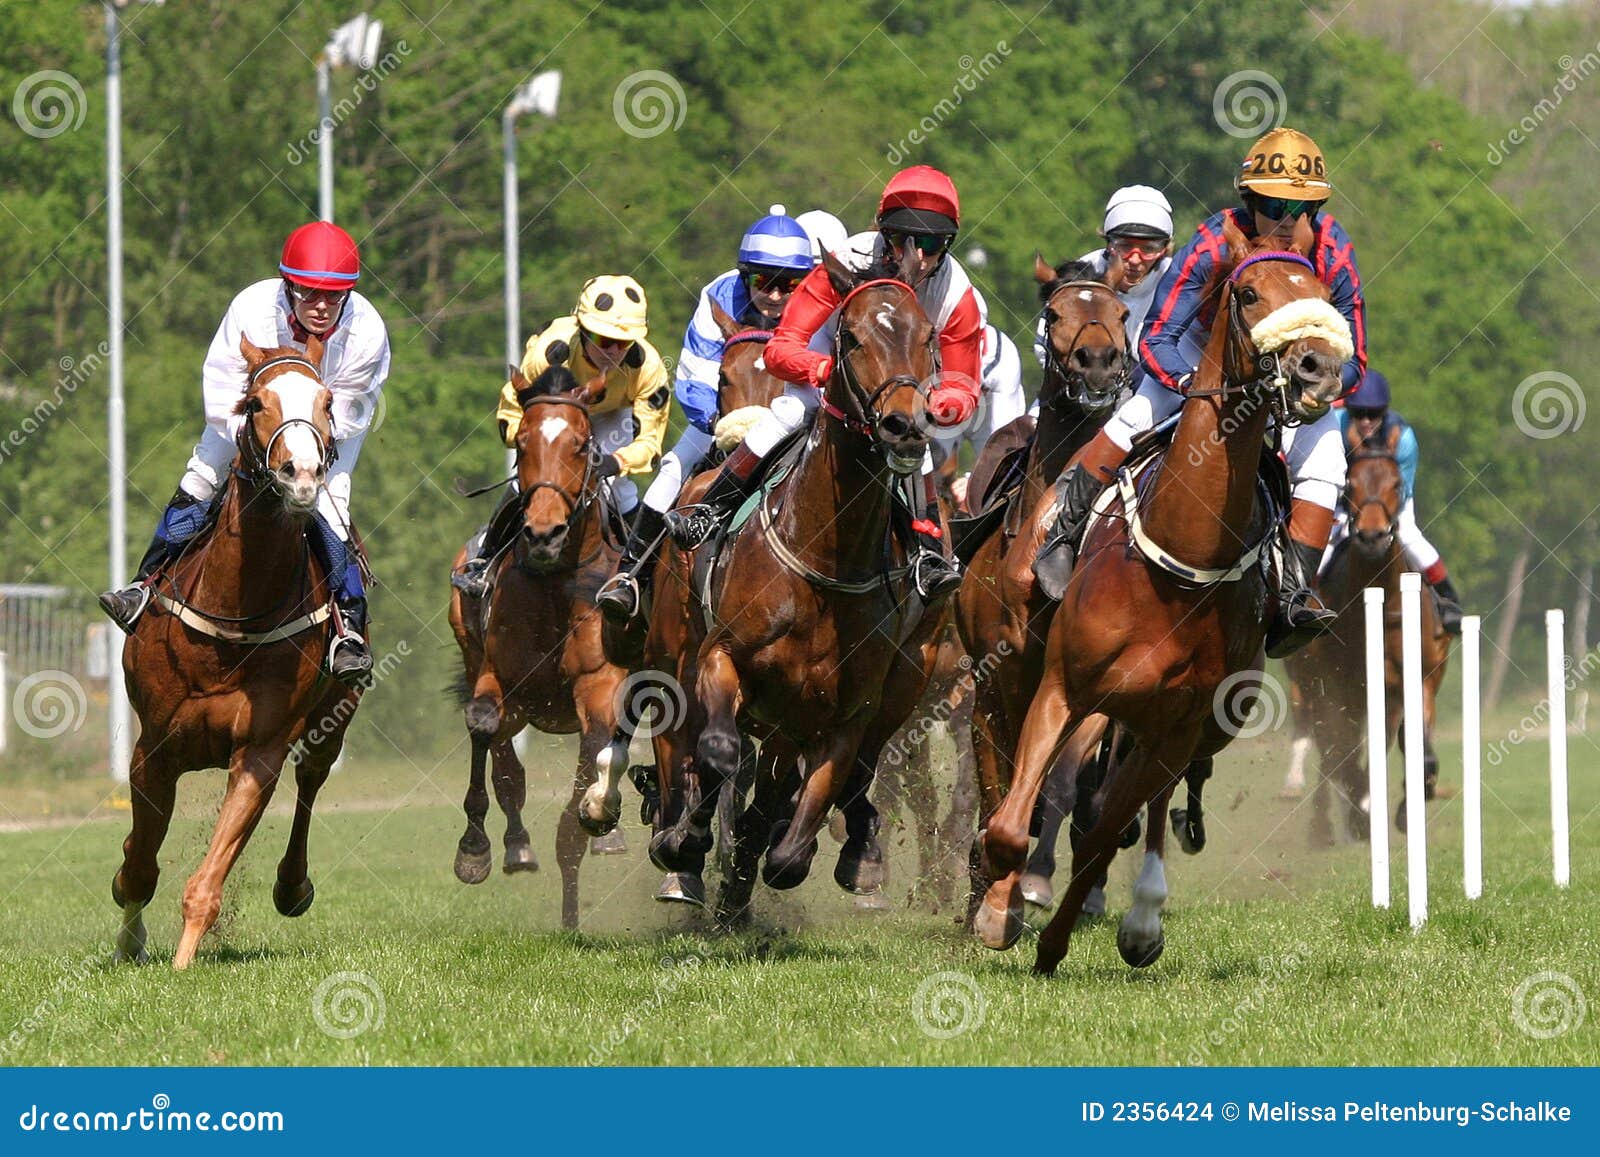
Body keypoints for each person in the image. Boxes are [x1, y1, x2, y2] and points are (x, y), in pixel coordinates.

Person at [1034, 127, 1367, 658]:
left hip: (1295, 375)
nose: (1285, 221)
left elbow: (1358, 356)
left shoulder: (1336, 248)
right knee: (1132, 418)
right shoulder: (1216, 240)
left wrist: (1323, 389)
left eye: (1299, 208)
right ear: (1249, 201)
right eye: (1272, 204)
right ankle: (1064, 538)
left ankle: (1294, 592)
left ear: (1316, 209)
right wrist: (1193, 387)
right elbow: (1158, 336)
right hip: (1204, 357)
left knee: (1328, 460)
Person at [663, 165, 984, 601]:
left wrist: (936, 405)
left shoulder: (956, 294)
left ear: (948, 243)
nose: (918, 256)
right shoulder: (847, 261)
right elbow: (781, 349)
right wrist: (825, 372)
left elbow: (964, 385)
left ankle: (928, 554)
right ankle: (711, 508)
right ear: (882, 232)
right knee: (792, 411)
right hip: (829, 361)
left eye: (931, 243)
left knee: (918, 442)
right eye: (902, 240)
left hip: (901, 385)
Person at [97, 222, 390, 682]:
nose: (321, 306)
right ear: (288, 283)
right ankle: (144, 587)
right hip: (251, 420)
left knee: (333, 505)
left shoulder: (366, 331)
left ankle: (347, 629)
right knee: (202, 474)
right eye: (309, 292)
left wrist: (305, 446)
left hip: (327, 427)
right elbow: (220, 392)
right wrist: (259, 445)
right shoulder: (252, 308)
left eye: (334, 297)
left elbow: (348, 414)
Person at [596, 207, 814, 622]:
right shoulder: (718, 295)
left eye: (788, 285)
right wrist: (722, 424)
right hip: (723, 417)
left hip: (795, 412)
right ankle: (630, 576)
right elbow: (694, 377)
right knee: (673, 467)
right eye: (760, 281)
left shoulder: (818, 303)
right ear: (744, 275)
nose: (772, 295)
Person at [451, 275, 671, 599]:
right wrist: (530, 442)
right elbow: (513, 411)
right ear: (582, 330)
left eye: (622, 344)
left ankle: (637, 578)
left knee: (621, 491)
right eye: (601, 338)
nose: (611, 351)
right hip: (551, 416)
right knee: (525, 482)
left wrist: (616, 460)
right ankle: (484, 560)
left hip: (613, 417)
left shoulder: (650, 368)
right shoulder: (548, 351)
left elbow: (650, 444)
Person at [1334, 369, 1464, 634]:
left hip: (1390, 501)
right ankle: (1301, 601)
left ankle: (1449, 602)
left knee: (1411, 538)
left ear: (1384, 411)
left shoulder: (1404, 439)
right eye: (1359, 413)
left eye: (1374, 414)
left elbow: (1401, 488)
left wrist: (1376, 515)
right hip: (1342, 496)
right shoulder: (1336, 425)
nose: (1367, 421)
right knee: (1325, 545)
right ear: (1349, 410)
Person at [1031, 184, 1175, 405]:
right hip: (1078, 384)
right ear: (1109, 244)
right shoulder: (1082, 273)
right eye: (1125, 246)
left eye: (1148, 249)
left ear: (1164, 249)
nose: (1135, 260)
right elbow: (1045, 342)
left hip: (1158, 388)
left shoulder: (1180, 280)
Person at [940, 289, 1025, 511]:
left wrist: (971, 480)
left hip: (990, 411)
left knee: (1000, 482)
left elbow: (1004, 442)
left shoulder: (1003, 357)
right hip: (945, 411)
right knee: (935, 480)